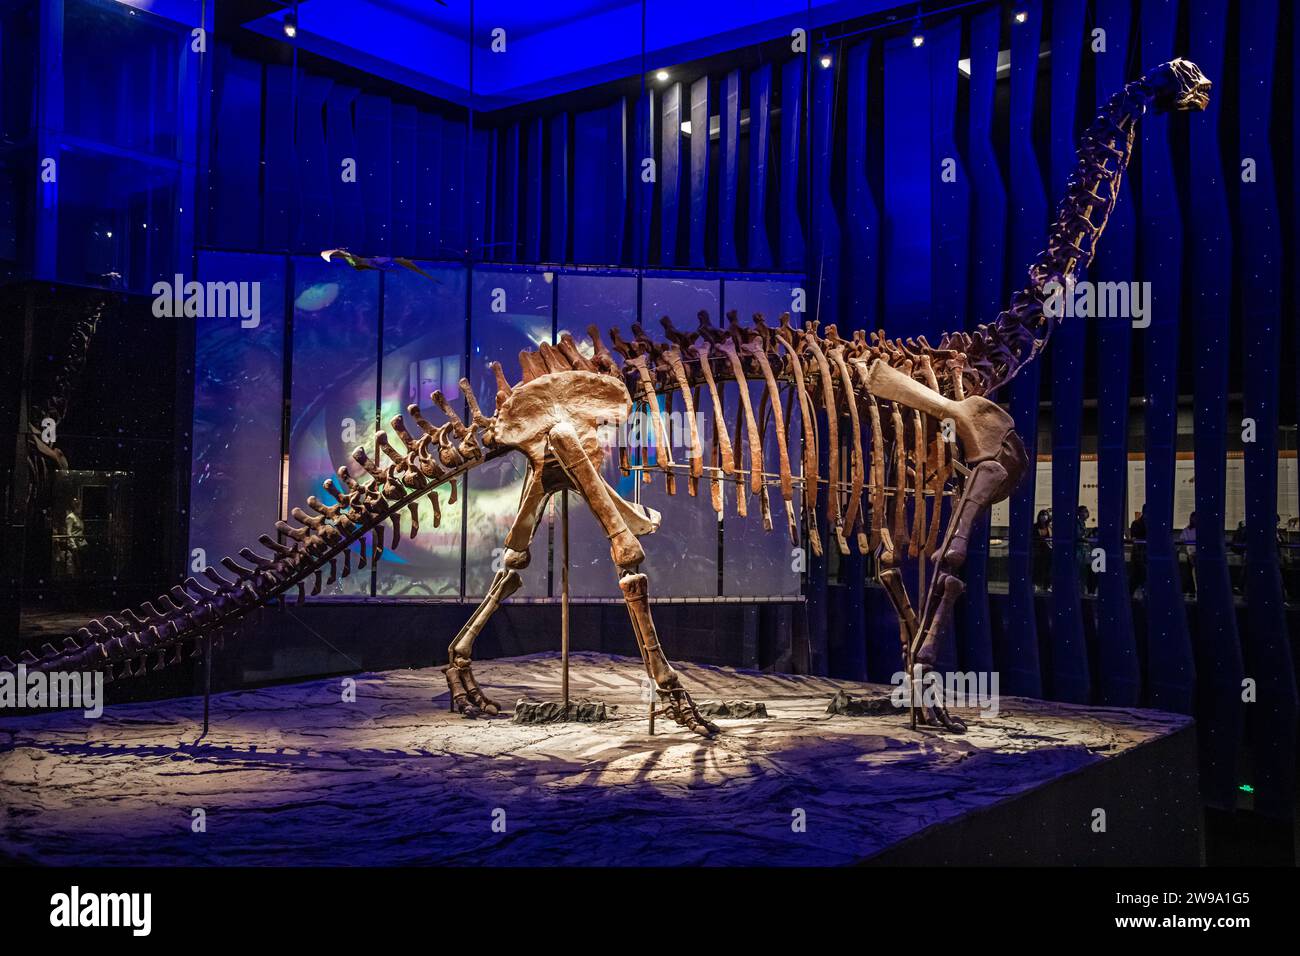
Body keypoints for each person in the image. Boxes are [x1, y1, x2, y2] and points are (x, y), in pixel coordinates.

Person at [1129, 504, 1147, 597]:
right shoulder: (1136, 523)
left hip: (1145, 555)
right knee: (1135, 578)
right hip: (1139, 554)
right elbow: (1135, 539)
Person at [1032, 509, 1052, 591]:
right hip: (1038, 551)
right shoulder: (1035, 527)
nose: (1044, 517)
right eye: (1042, 515)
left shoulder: (1049, 527)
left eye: (1045, 514)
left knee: (1047, 569)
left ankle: (1047, 586)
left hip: (1048, 551)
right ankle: (1035, 584)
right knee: (1037, 569)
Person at [1179, 512, 1197, 595]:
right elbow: (1184, 541)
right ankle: (1192, 589)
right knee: (1190, 573)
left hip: (1197, 553)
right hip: (1190, 552)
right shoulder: (1186, 530)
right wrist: (1190, 554)